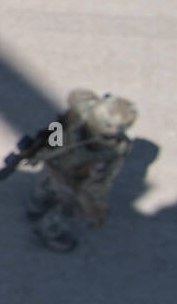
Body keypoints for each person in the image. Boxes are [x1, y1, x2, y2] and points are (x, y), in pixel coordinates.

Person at [26, 90, 137, 252]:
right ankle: (50, 231)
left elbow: (71, 103)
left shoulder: (81, 110)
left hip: (53, 160)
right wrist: (95, 206)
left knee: (46, 184)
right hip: (71, 179)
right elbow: (98, 182)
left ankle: (35, 205)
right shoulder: (111, 150)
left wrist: (48, 145)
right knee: (68, 207)